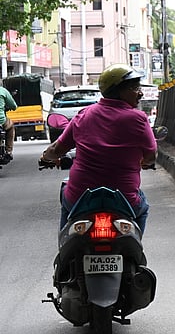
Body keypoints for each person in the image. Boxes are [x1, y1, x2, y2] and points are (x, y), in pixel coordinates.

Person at [40, 64, 157, 233]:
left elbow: (56, 150)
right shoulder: (138, 118)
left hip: (81, 198)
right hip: (123, 200)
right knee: (142, 208)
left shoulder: (84, 115)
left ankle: (64, 249)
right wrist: (144, 162)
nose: (140, 93)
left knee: (66, 199)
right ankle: (136, 249)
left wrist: (45, 157)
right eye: (134, 88)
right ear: (118, 91)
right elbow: (151, 155)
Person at [0, 83, 18, 161]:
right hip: (1, 121)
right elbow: (13, 106)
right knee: (11, 126)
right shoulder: (3, 91)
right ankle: (8, 151)